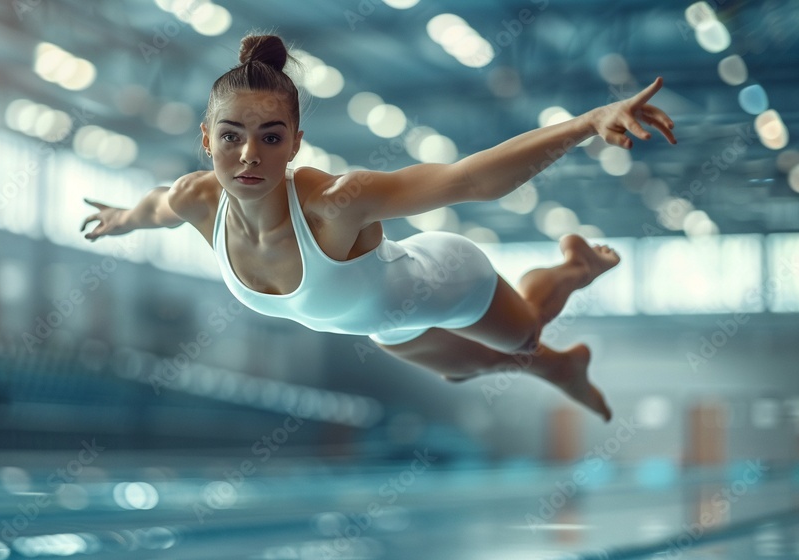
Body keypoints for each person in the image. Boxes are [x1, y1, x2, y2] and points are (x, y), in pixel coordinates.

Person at [81, 34, 676, 422]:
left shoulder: (335, 205)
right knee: (461, 368)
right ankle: (564, 367)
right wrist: (118, 220)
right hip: (383, 321)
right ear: (207, 139)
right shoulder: (194, 199)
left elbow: (470, 180)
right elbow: (152, 208)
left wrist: (586, 123)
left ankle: (574, 266)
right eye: (231, 136)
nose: (249, 156)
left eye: (270, 137)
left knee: (520, 339)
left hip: (444, 278)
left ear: (295, 144)